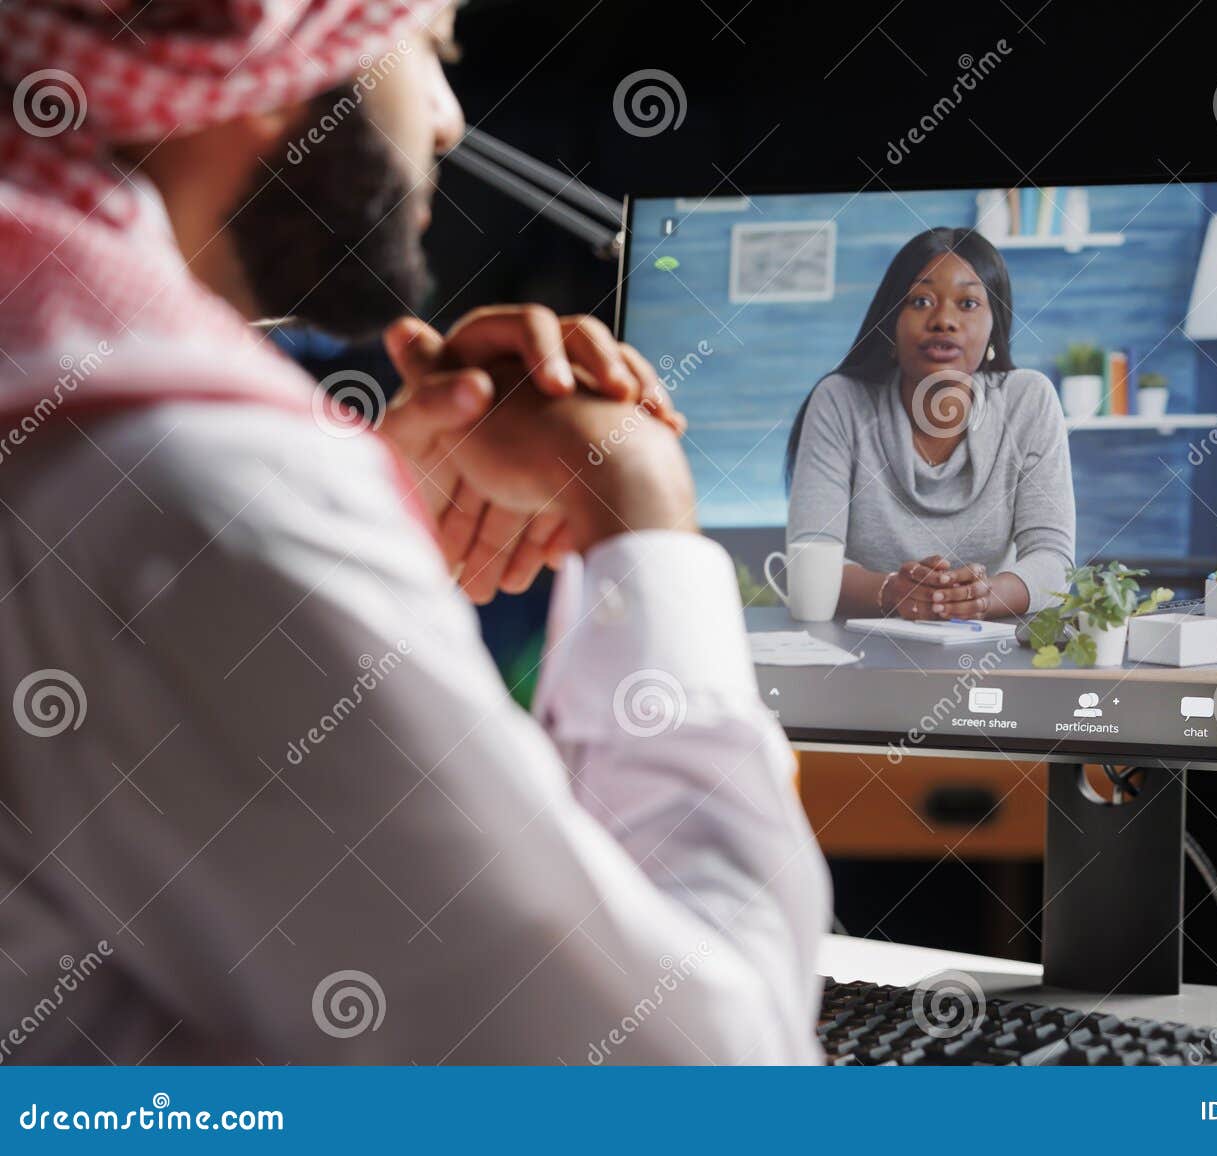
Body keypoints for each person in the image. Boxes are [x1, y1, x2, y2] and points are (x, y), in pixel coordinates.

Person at [0, 1, 828, 1064]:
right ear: (268, 53)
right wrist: (641, 515)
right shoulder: (175, 493)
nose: (442, 121)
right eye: (432, 52)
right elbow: (700, 1088)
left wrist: (371, 550)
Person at [782, 227, 1074, 621]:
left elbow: (1054, 561)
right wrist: (892, 593)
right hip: (857, 658)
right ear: (891, 322)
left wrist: (983, 597)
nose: (943, 321)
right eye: (921, 301)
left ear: (994, 327)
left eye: (968, 303)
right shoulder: (841, 401)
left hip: (987, 656)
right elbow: (811, 556)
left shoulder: (1028, 400)